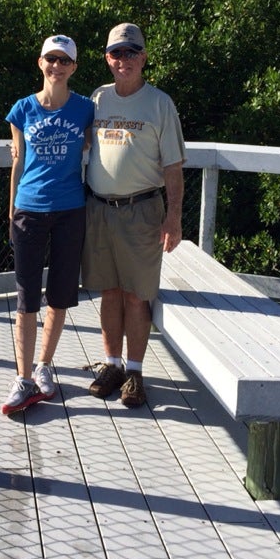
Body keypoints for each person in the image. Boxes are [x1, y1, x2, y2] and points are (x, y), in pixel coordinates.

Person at [82, 22, 186, 408]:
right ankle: (112, 365)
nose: (123, 59)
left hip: (142, 209)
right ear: (107, 58)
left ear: (143, 57)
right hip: (99, 209)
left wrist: (173, 217)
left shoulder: (160, 103)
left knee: (137, 296)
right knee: (109, 291)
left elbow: (173, 166)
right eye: (116, 53)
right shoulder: (97, 99)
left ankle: (137, 372)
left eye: (130, 52)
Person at [2, 35, 95, 416]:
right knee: (26, 298)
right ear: (40, 63)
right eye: (50, 59)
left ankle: (44, 367)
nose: (56, 66)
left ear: (73, 67)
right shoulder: (22, 110)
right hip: (29, 209)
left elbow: (99, 144)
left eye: (63, 61)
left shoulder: (87, 109)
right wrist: (11, 212)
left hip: (71, 209)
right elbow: (18, 161)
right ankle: (22, 378)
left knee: (59, 294)